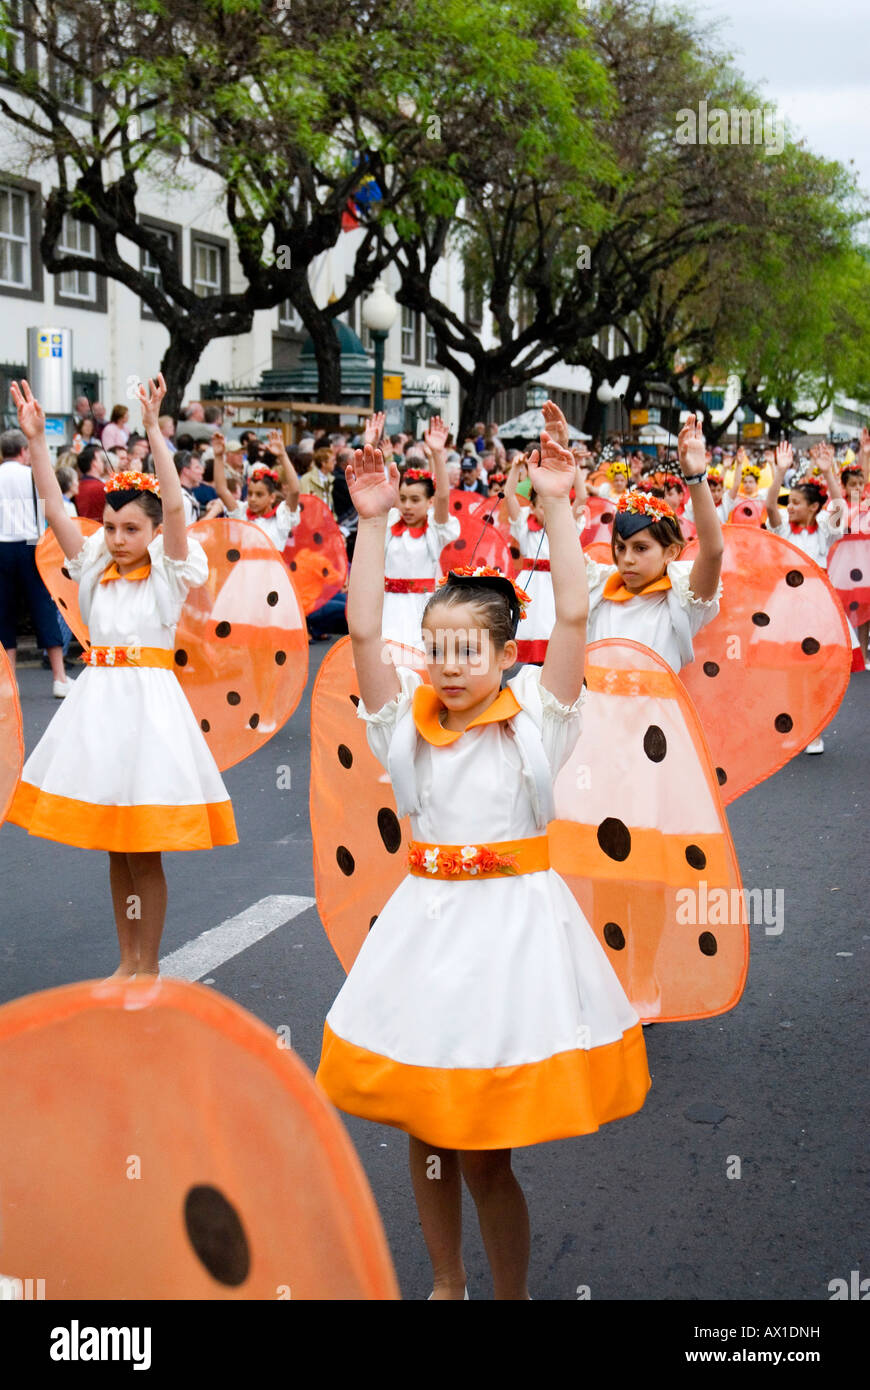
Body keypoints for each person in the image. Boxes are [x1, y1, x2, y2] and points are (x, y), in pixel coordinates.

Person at [315, 427, 649, 1301]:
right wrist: (375, 525)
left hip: (511, 942)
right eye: (438, 648)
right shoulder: (405, 729)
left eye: (470, 650)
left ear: (506, 656)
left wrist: (558, 506)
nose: (450, 665)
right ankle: (445, 1283)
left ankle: (510, 1294)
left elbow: (573, 614)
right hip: (427, 937)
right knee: (426, 1138)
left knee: (486, 1154)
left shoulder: (541, 719)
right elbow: (359, 628)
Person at [6, 376, 238, 976]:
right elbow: (56, 507)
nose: (117, 538)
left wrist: (156, 424)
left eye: (131, 529)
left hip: (148, 713)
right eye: (110, 527)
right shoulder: (92, 566)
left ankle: (149, 964)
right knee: (116, 846)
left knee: (144, 848)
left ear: (155, 531)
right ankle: (127, 960)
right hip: (99, 708)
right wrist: (35, 440)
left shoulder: (169, 570)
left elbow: (178, 504)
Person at [584, 415, 724, 674]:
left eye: (641, 548)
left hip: (656, 714)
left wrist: (695, 477)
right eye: (621, 547)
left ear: (671, 552)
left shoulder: (680, 602)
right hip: (599, 713)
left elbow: (713, 551)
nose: (627, 559)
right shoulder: (597, 594)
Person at [376, 412, 460, 649]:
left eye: (415, 499)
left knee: (421, 666)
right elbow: (377, 490)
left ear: (429, 502)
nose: (408, 505)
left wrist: (436, 453)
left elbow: (443, 494)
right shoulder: (391, 522)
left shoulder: (434, 528)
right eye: (403, 498)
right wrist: (371, 445)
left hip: (423, 609)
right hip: (388, 609)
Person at [0, 426, 70, 696]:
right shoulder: (31, 475)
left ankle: (9, 681)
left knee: (4, 613)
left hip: (2, 545)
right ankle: (59, 677)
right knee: (42, 607)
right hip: (31, 543)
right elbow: (45, 508)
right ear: (23, 451)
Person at [211, 430, 300, 546]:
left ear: (272, 497)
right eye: (250, 493)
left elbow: (294, 491)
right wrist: (218, 457)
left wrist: (282, 455)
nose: (252, 499)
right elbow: (222, 491)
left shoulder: (281, 516)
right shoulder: (242, 513)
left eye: (259, 494)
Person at [74, 445, 107, 521]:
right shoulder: (102, 487)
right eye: (101, 460)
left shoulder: (77, 486)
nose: (103, 463)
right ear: (94, 463)